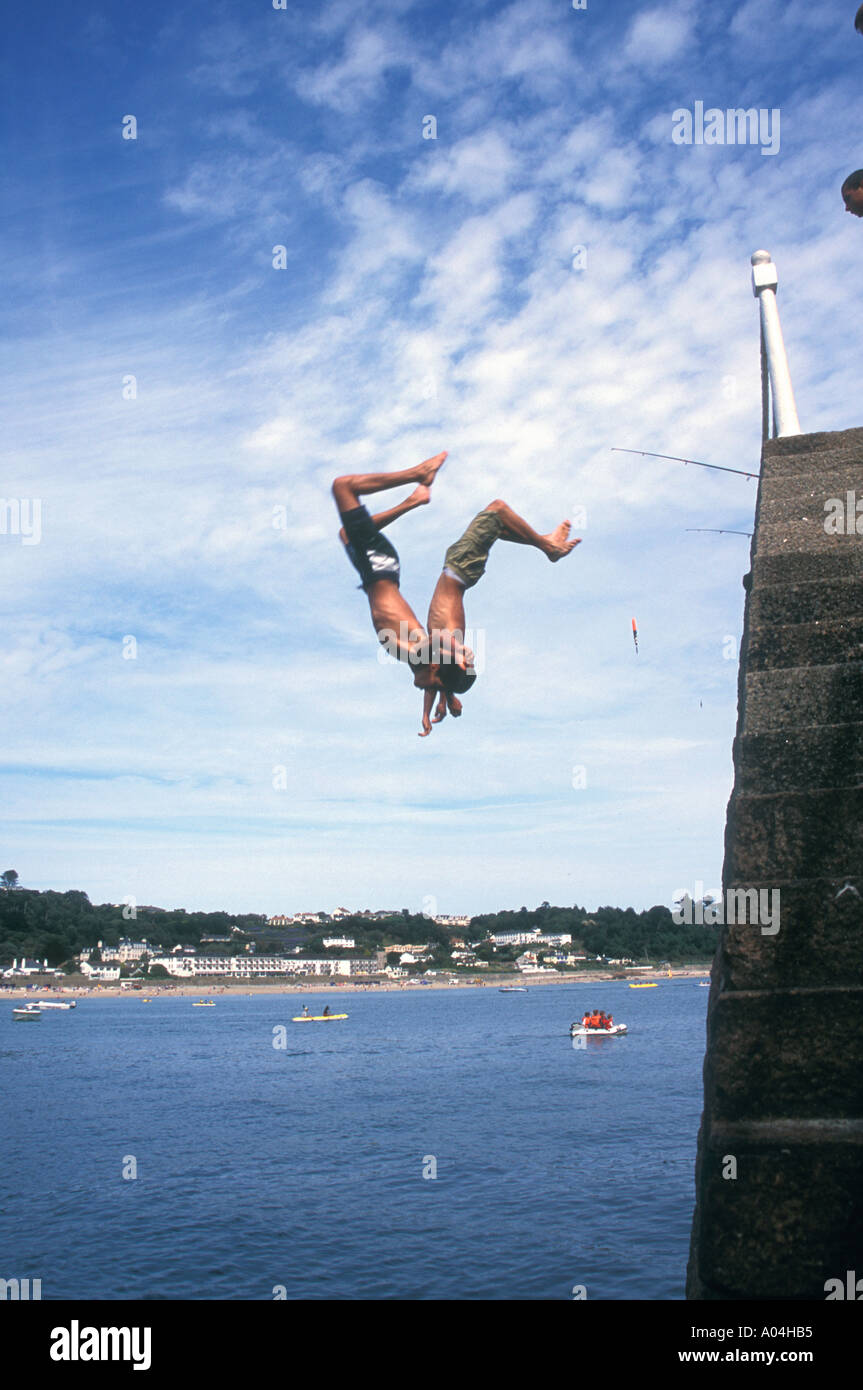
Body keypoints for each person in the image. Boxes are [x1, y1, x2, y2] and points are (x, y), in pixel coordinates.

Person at [332, 452, 472, 728]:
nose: (421, 689)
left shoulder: (417, 660)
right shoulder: (413, 651)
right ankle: (418, 474)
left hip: (374, 570)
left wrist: (435, 707)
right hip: (379, 567)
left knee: (346, 534)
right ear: (434, 667)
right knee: (343, 486)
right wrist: (458, 651)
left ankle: (413, 501)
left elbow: (434, 678)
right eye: (427, 687)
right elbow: (437, 644)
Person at [422, 498, 581, 734]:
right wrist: (446, 694)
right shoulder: (449, 639)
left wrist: (439, 704)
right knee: (498, 510)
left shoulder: (443, 650)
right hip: (460, 566)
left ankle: (547, 544)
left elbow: (436, 677)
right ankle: (548, 547)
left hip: (459, 566)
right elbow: (440, 668)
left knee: (500, 525)